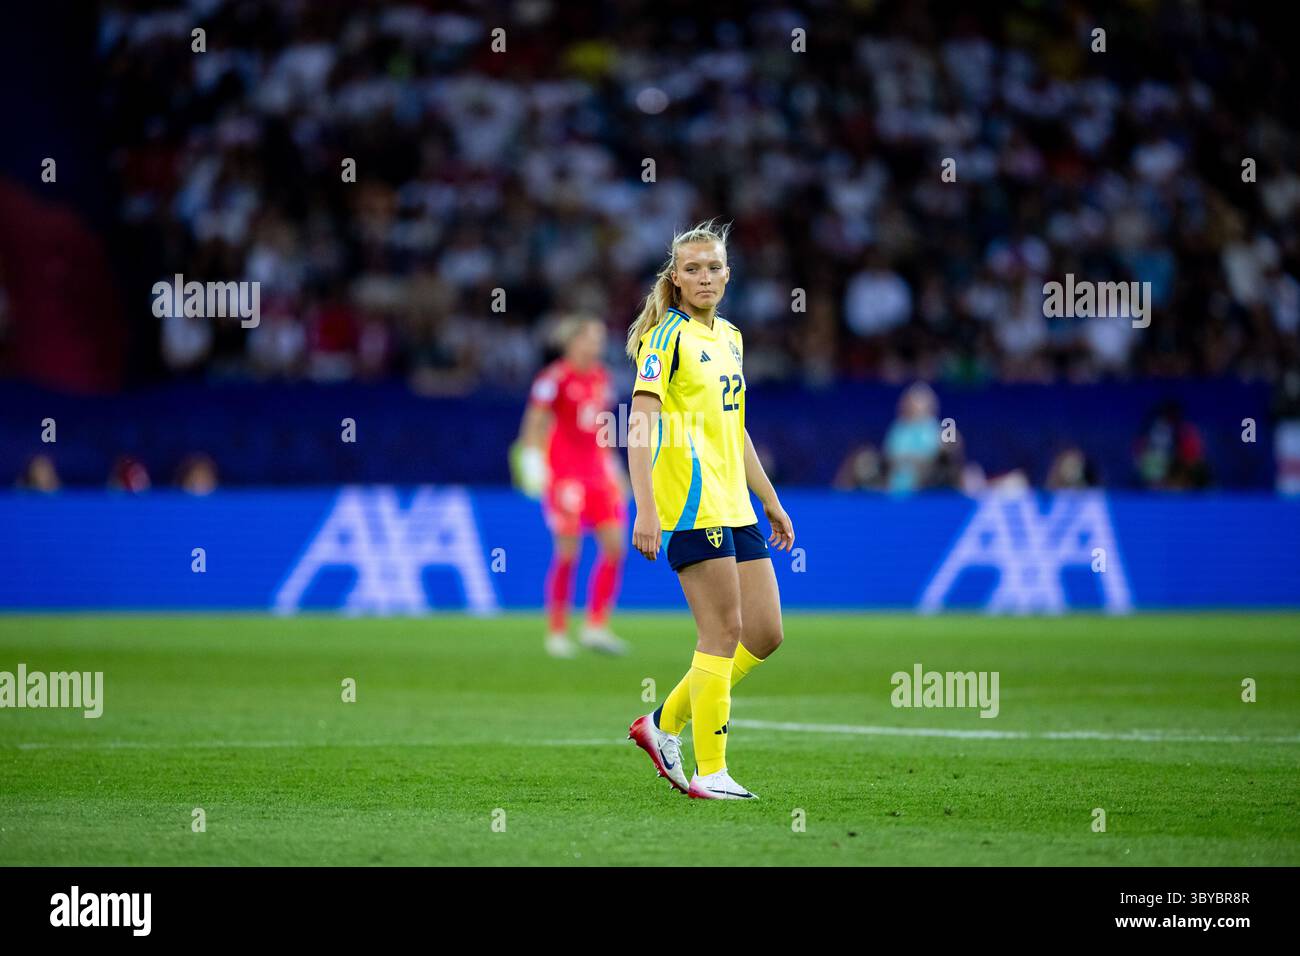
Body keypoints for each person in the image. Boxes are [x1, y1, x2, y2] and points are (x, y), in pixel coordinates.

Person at [624, 221, 795, 800]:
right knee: (721, 632)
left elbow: (734, 429)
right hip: (693, 504)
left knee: (765, 633)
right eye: (692, 269)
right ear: (675, 278)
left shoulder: (731, 337)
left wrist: (769, 498)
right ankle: (711, 772)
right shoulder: (665, 338)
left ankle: (662, 724)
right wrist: (645, 509)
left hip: (737, 504)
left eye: (713, 268)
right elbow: (640, 425)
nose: (704, 277)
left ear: (727, 274)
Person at [514, 315, 628, 658]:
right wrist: (534, 466)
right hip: (565, 477)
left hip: (597, 476)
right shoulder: (553, 379)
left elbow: (603, 431)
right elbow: (533, 425)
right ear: (572, 342)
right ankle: (558, 631)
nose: (597, 345)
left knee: (615, 547)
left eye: (599, 339)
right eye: (590, 338)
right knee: (568, 552)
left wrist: (615, 469)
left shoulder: (602, 378)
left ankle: (596, 626)